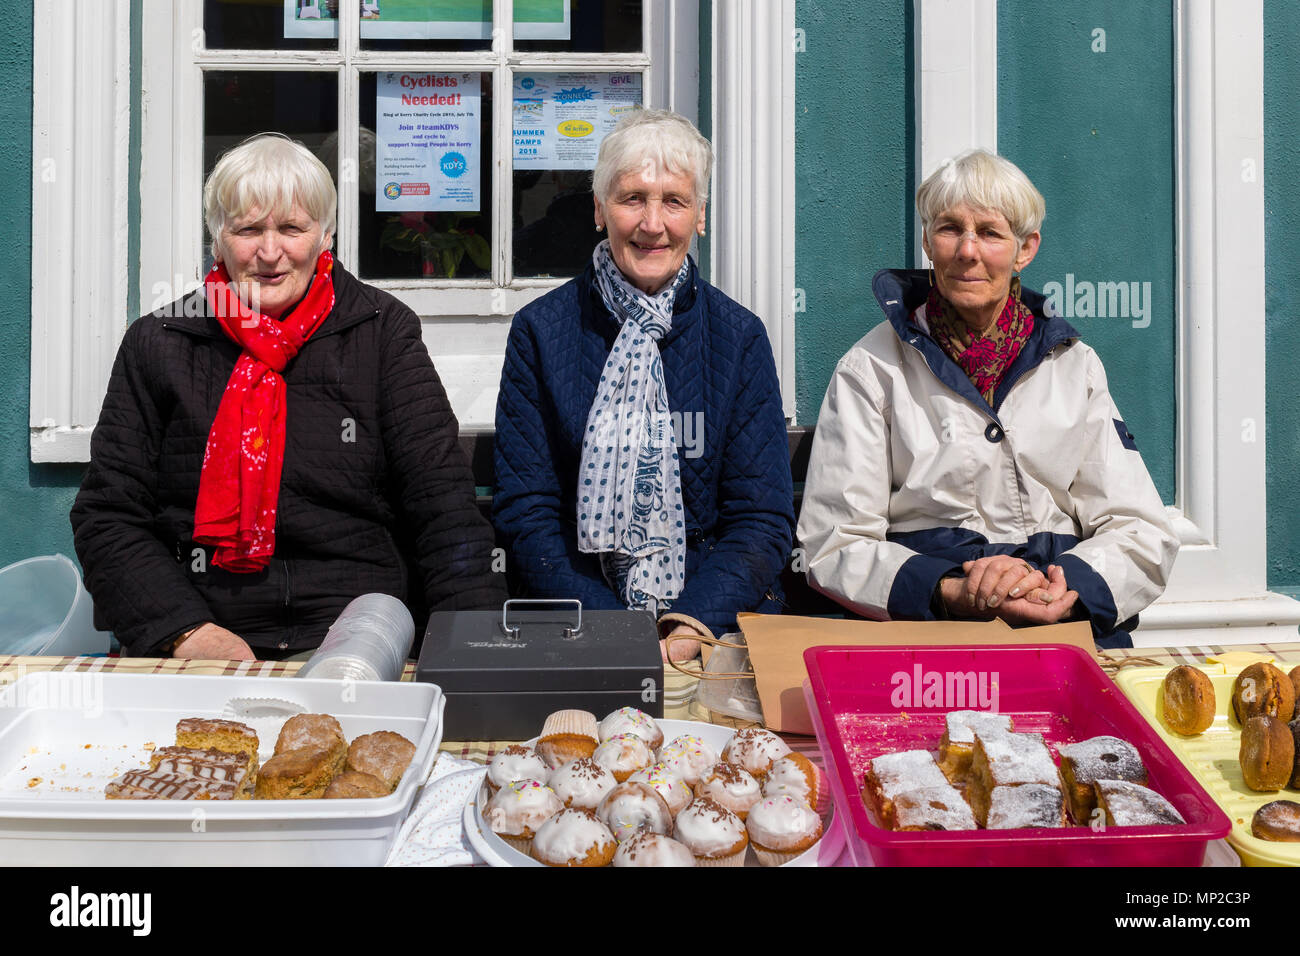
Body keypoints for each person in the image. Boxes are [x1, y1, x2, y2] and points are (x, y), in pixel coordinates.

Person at [71, 134, 503, 660]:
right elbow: (108, 515)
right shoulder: (161, 341)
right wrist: (185, 632)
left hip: (356, 635)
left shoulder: (380, 331)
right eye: (248, 229)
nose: (270, 253)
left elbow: (442, 504)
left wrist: (476, 653)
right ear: (218, 240)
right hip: (207, 629)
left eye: (292, 228)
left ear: (325, 236)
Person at [796, 149, 1177, 648]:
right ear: (929, 243)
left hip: (1060, 625)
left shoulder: (1074, 365)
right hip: (930, 634)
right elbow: (833, 544)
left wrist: (1064, 586)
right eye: (950, 228)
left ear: (1025, 249)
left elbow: (1140, 529)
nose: (968, 251)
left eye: (991, 233)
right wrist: (950, 590)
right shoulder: (871, 368)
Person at [493, 108, 794, 662]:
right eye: (633, 198)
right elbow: (527, 513)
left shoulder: (739, 337)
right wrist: (619, 632)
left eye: (673, 201)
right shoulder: (542, 332)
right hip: (582, 628)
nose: (652, 223)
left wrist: (688, 625)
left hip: (710, 631)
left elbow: (761, 518)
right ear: (599, 210)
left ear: (699, 216)